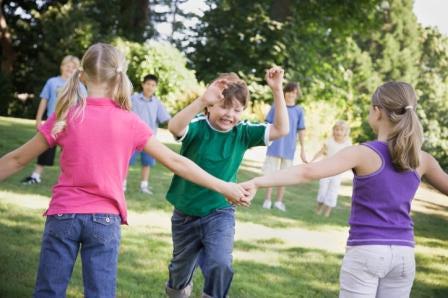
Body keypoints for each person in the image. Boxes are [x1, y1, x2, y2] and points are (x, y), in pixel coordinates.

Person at [0, 43, 249, 298]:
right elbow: (177, 162)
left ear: (83, 75)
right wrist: (223, 186)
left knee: (48, 291)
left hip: (63, 216)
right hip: (104, 221)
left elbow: (18, 159)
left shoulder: (66, 116)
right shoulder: (129, 120)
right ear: (119, 75)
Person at [241, 81, 448, 297]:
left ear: (377, 112)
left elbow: (307, 172)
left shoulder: (362, 153)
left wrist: (257, 182)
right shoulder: (423, 160)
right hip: (404, 254)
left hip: (366, 251)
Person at [165, 67, 289, 298]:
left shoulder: (242, 132)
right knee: (179, 274)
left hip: (219, 211)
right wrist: (202, 99)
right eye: (223, 106)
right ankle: (178, 290)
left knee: (221, 263)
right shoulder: (198, 126)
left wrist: (277, 89)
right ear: (210, 105)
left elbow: (282, 129)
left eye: (237, 110)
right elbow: (174, 127)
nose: (229, 115)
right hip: (185, 213)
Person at [21, 55, 83, 184]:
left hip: (71, 124)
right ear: (61, 67)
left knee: (69, 153)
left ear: (78, 71)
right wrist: (38, 119)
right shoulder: (52, 82)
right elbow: (44, 100)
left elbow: (84, 106)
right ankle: (36, 176)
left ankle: (67, 180)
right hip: (52, 122)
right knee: (44, 149)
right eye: (67, 66)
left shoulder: (80, 86)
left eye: (73, 67)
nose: (70, 69)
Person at [261, 82, 306, 211]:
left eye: (294, 93)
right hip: (275, 145)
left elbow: (301, 130)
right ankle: (267, 200)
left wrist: (303, 149)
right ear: (285, 92)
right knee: (270, 174)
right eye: (290, 91)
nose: (292, 94)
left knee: (284, 176)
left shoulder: (299, 110)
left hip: (289, 148)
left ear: (297, 95)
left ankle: (279, 202)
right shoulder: (276, 106)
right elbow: (267, 124)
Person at [124, 74, 171, 194]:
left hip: (149, 139)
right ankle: (122, 185)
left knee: (147, 163)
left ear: (156, 88)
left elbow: (165, 118)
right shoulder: (133, 98)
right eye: (148, 84)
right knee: (126, 162)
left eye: (153, 85)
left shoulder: (157, 103)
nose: (150, 87)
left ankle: (144, 186)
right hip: (131, 137)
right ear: (143, 84)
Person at [312, 120, 351, 217]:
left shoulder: (347, 144)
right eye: (336, 129)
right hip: (325, 170)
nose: (338, 132)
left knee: (333, 191)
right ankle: (319, 208)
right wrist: (312, 161)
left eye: (341, 130)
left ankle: (327, 212)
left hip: (337, 172)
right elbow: (321, 152)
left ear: (345, 132)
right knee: (323, 190)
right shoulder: (329, 142)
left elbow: (349, 158)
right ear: (333, 130)